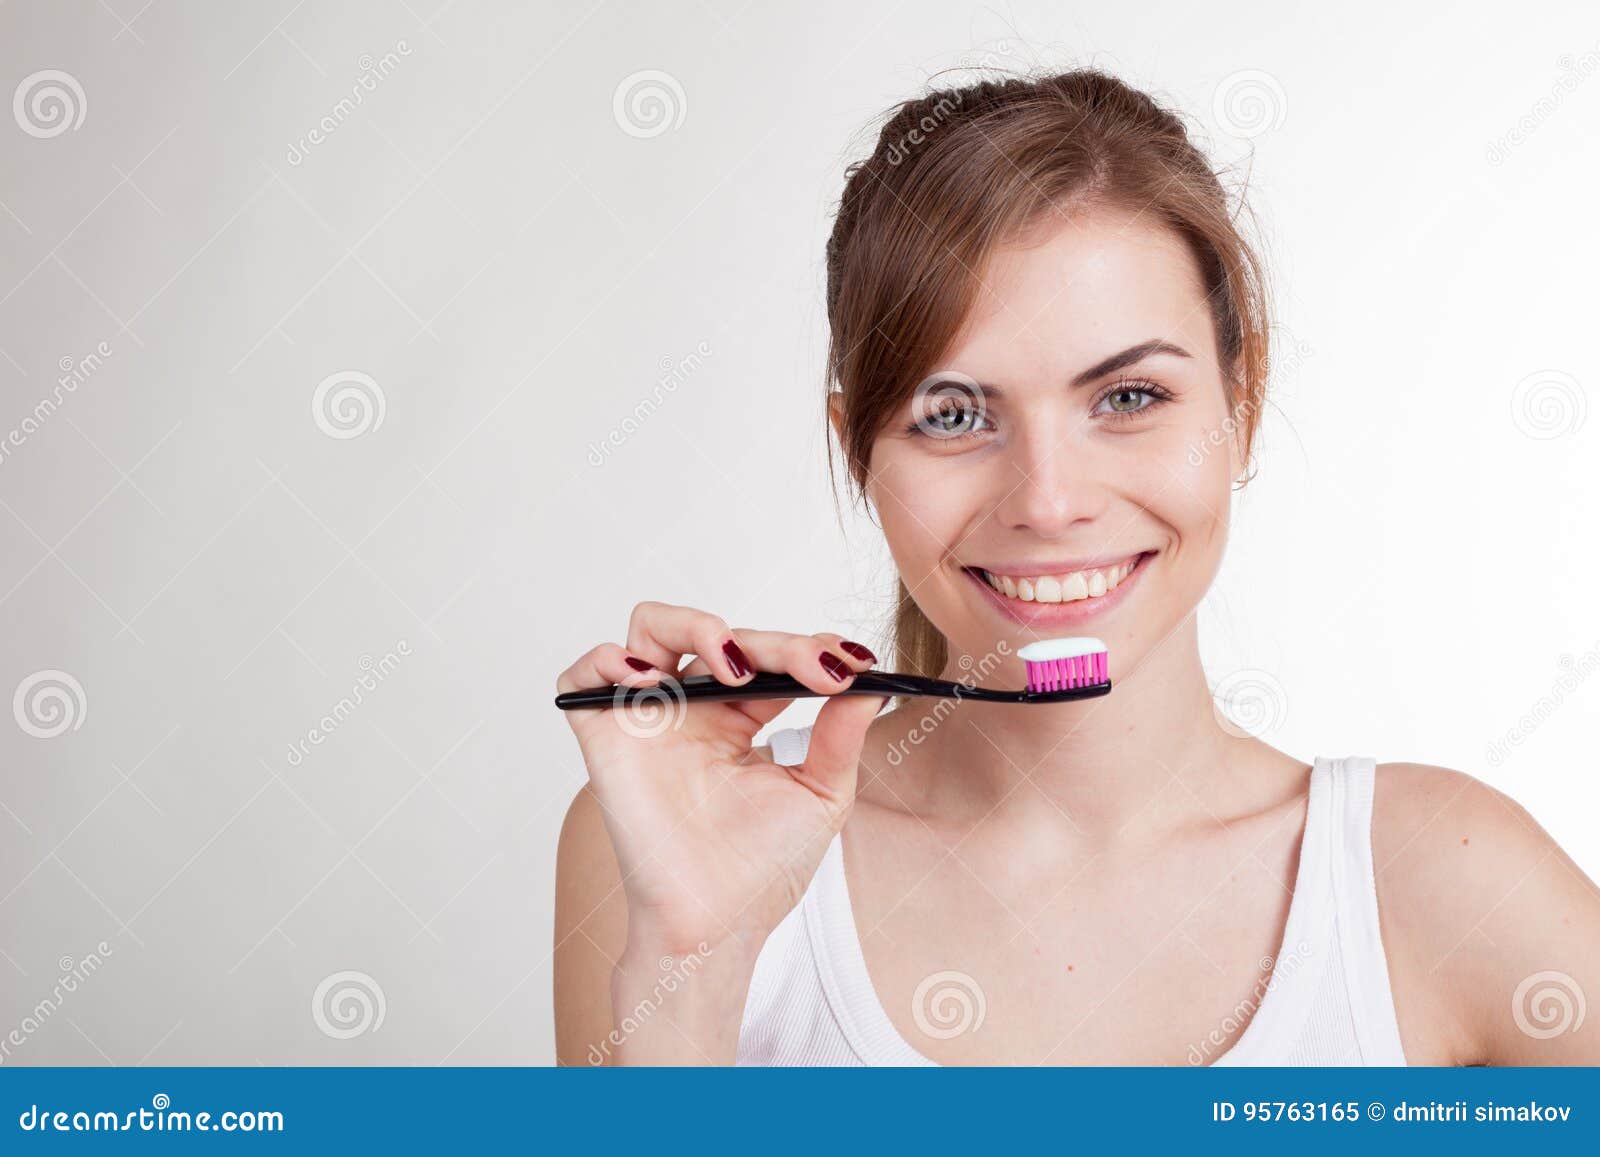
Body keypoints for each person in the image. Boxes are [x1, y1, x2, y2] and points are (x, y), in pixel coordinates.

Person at [553, 67, 1600, 1066]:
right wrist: (689, 969)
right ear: (855, 446)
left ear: (1241, 399)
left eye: (1128, 397)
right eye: (953, 415)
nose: (1048, 500)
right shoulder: (670, 847)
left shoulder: (1443, 884)